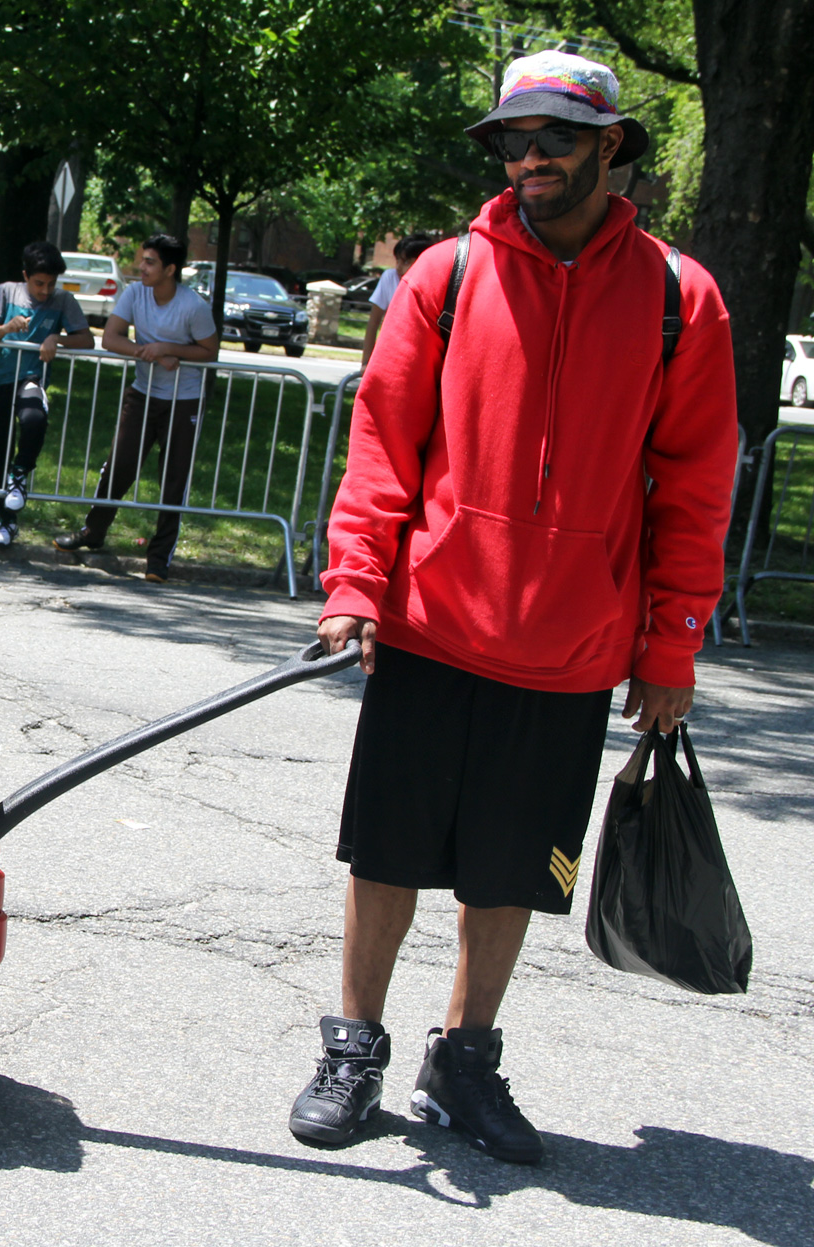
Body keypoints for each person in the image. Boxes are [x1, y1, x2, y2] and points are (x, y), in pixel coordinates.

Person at [291, 50, 738, 1165]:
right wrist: (356, 582)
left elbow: (693, 484)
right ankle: (354, 1044)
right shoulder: (445, 276)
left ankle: (465, 1058)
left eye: (552, 138)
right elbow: (383, 445)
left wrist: (672, 639)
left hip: (574, 647)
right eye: (512, 139)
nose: (528, 157)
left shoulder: (683, 300)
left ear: (608, 146)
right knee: (386, 851)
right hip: (431, 622)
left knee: (510, 871)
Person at [53, 234, 217, 583]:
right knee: (118, 467)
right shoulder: (134, 293)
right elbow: (111, 338)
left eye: (150, 262)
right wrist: (147, 352)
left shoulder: (193, 306)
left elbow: (208, 351)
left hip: (183, 399)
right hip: (142, 393)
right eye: (143, 260)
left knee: (174, 479)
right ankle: (93, 532)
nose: (141, 267)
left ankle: (158, 558)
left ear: (170, 269)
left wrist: (169, 348)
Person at [0, 240, 94, 547]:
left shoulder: (63, 300)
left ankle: (20, 473)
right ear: (25, 275)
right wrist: (6, 328)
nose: (45, 291)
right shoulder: (6, 291)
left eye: (51, 284)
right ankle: (7, 521)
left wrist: (58, 338)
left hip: (32, 377)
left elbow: (87, 339)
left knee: (34, 418)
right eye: (39, 283)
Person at [359, 233, 433, 366]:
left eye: (406, 262)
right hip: (392, 352)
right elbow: (373, 322)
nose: (398, 266)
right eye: (397, 260)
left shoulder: (433, 283)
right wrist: (366, 362)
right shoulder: (390, 277)